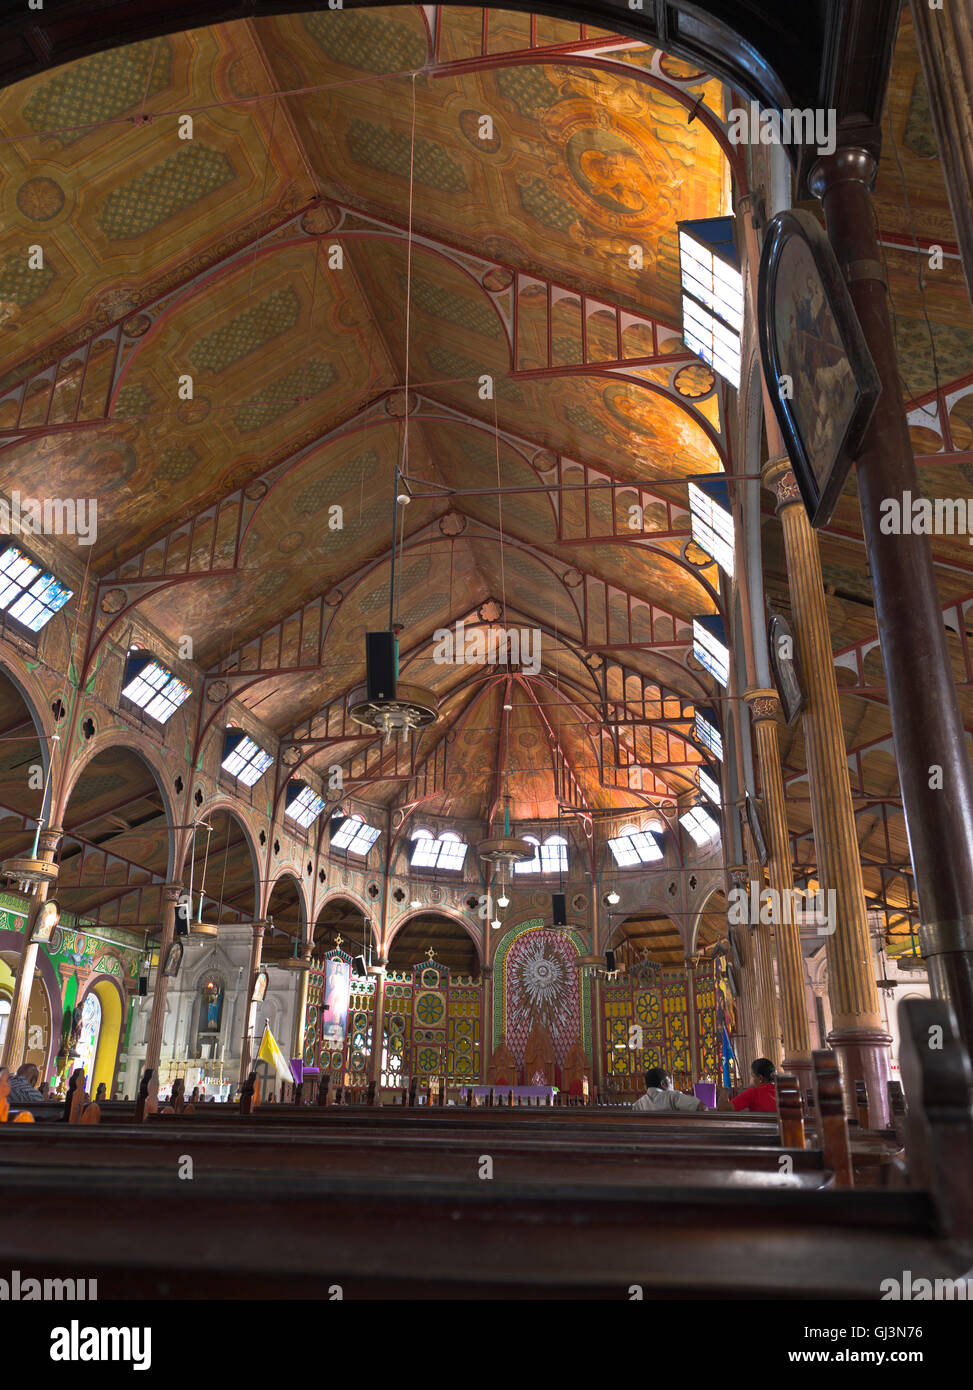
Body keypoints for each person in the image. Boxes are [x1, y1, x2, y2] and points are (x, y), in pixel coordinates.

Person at [632, 1067, 704, 1113]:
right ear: (663, 1084)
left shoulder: (638, 1104)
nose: (671, 1085)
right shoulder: (673, 1097)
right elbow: (701, 1107)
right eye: (669, 1082)